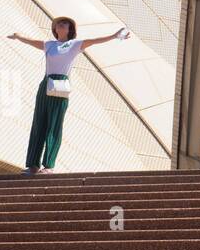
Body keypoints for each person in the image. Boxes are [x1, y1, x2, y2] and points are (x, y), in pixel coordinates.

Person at [8, 18, 128, 174]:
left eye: (65, 24)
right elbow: (30, 41)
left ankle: (48, 166)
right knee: (39, 123)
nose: (61, 24)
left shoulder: (74, 44)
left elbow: (95, 41)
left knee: (54, 124)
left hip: (61, 85)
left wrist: (114, 36)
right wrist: (18, 36)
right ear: (55, 29)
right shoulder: (49, 45)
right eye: (59, 23)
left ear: (70, 29)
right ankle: (32, 165)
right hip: (46, 83)